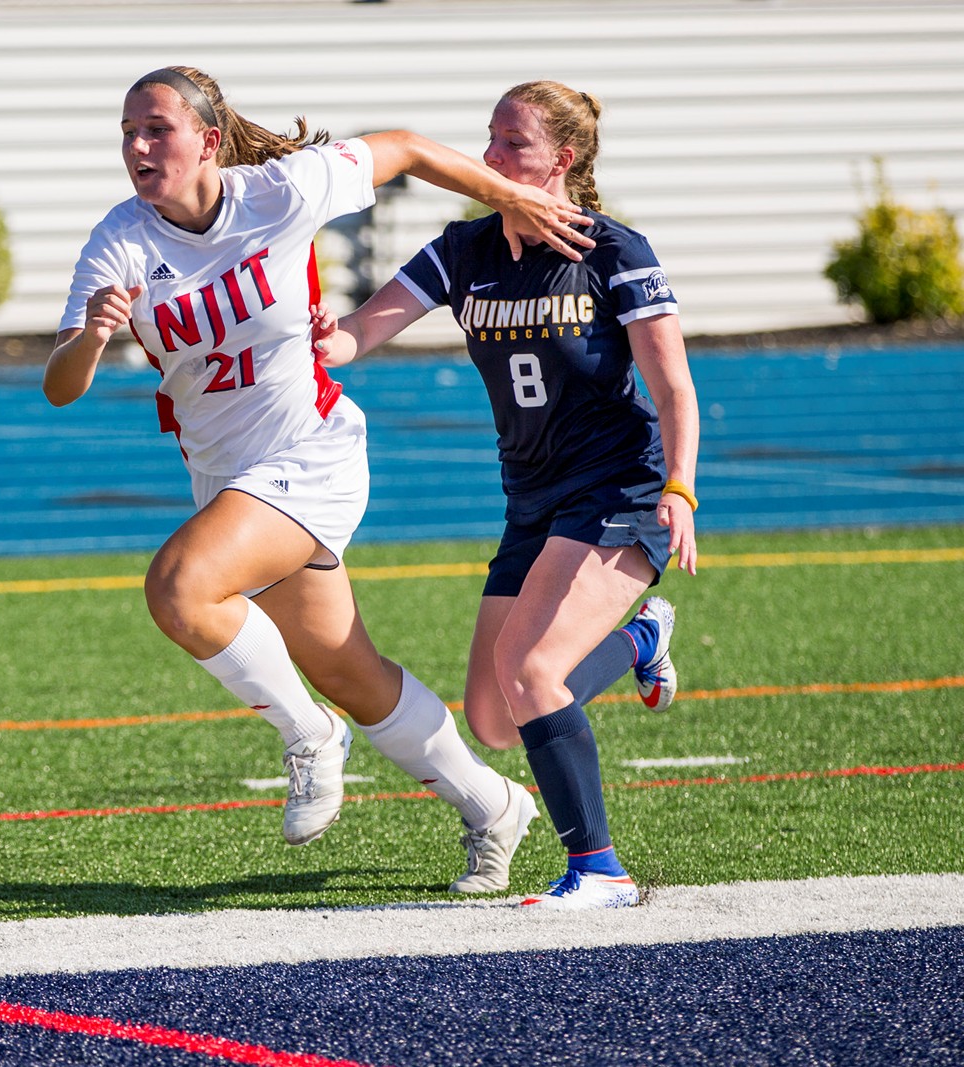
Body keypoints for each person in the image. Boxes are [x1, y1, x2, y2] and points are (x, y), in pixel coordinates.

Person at [45, 66, 596, 892]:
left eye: (157, 128)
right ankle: (493, 803)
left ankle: (309, 735)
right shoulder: (120, 238)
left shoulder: (279, 190)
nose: (137, 145)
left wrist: (505, 195)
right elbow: (60, 384)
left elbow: (405, 149)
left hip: (312, 457)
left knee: (179, 589)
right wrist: (90, 337)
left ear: (208, 137)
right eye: (127, 130)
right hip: (229, 483)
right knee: (352, 670)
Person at [310, 80, 699, 910]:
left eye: (510, 144)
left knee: (530, 672)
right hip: (530, 495)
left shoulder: (614, 250)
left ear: (561, 160)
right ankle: (638, 643)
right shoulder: (465, 249)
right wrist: (306, 331)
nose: (488, 159)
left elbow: (675, 389)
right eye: (487, 139)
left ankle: (600, 869)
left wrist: (681, 489)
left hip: (618, 483)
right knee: (494, 715)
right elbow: (355, 335)